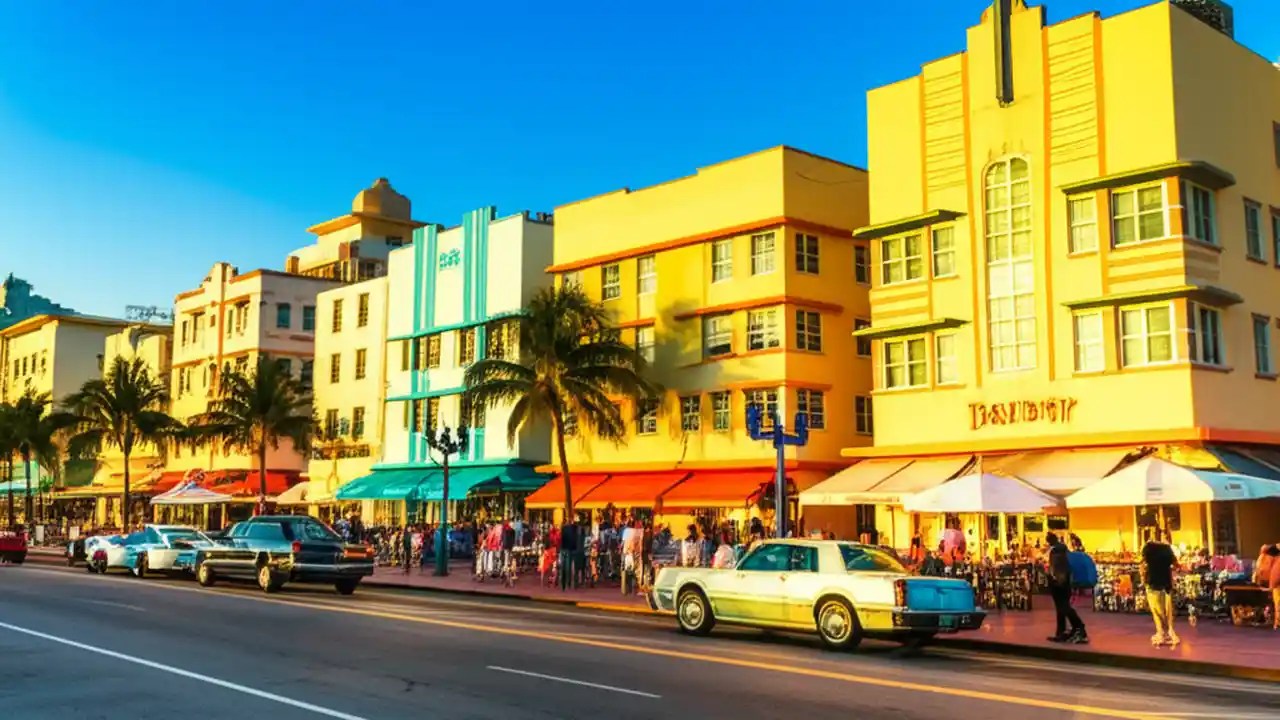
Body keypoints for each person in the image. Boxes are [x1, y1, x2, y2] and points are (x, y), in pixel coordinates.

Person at [1045, 532, 1088, 644]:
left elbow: (1057, 568)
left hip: (1060, 584)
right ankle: (1062, 632)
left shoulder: (1056, 551)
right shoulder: (1063, 549)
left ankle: (1078, 627)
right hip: (1064, 583)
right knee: (1061, 608)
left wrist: (1055, 579)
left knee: (1063, 607)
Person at [1142, 529, 1179, 646]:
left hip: (1152, 582)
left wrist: (1143, 579)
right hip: (1166, 583)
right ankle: (1170, 633)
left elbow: (1142, 564)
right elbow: (1176, 564)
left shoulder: (1148, 548)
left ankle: (1161, 633)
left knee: (1156, 611)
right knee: (1168, 611)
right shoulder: (1167, 549)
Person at [1253, 544, 1280, 630]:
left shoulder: (1267, 558)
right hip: (1277, 586)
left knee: (1278, 603)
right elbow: (1276, 575)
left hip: (1275, 585)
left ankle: (1278, 623)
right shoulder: (1276, 560)